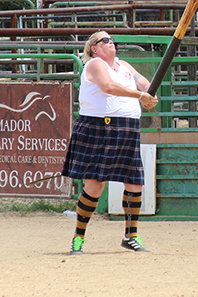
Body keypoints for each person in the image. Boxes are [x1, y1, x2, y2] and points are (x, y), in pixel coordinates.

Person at [62, 30, 158, 254]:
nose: (110, 42)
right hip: (98, 127)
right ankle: (78, 237)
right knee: (94, 186)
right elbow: (108, 87)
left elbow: (142, 83)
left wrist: (150, 93)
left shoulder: (124, 66)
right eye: (104, 40)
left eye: (112, 39)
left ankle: (131, 236)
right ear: (94, 48)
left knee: (134, 182)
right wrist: (140, 96)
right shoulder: (95, 64)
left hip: (127, 127)